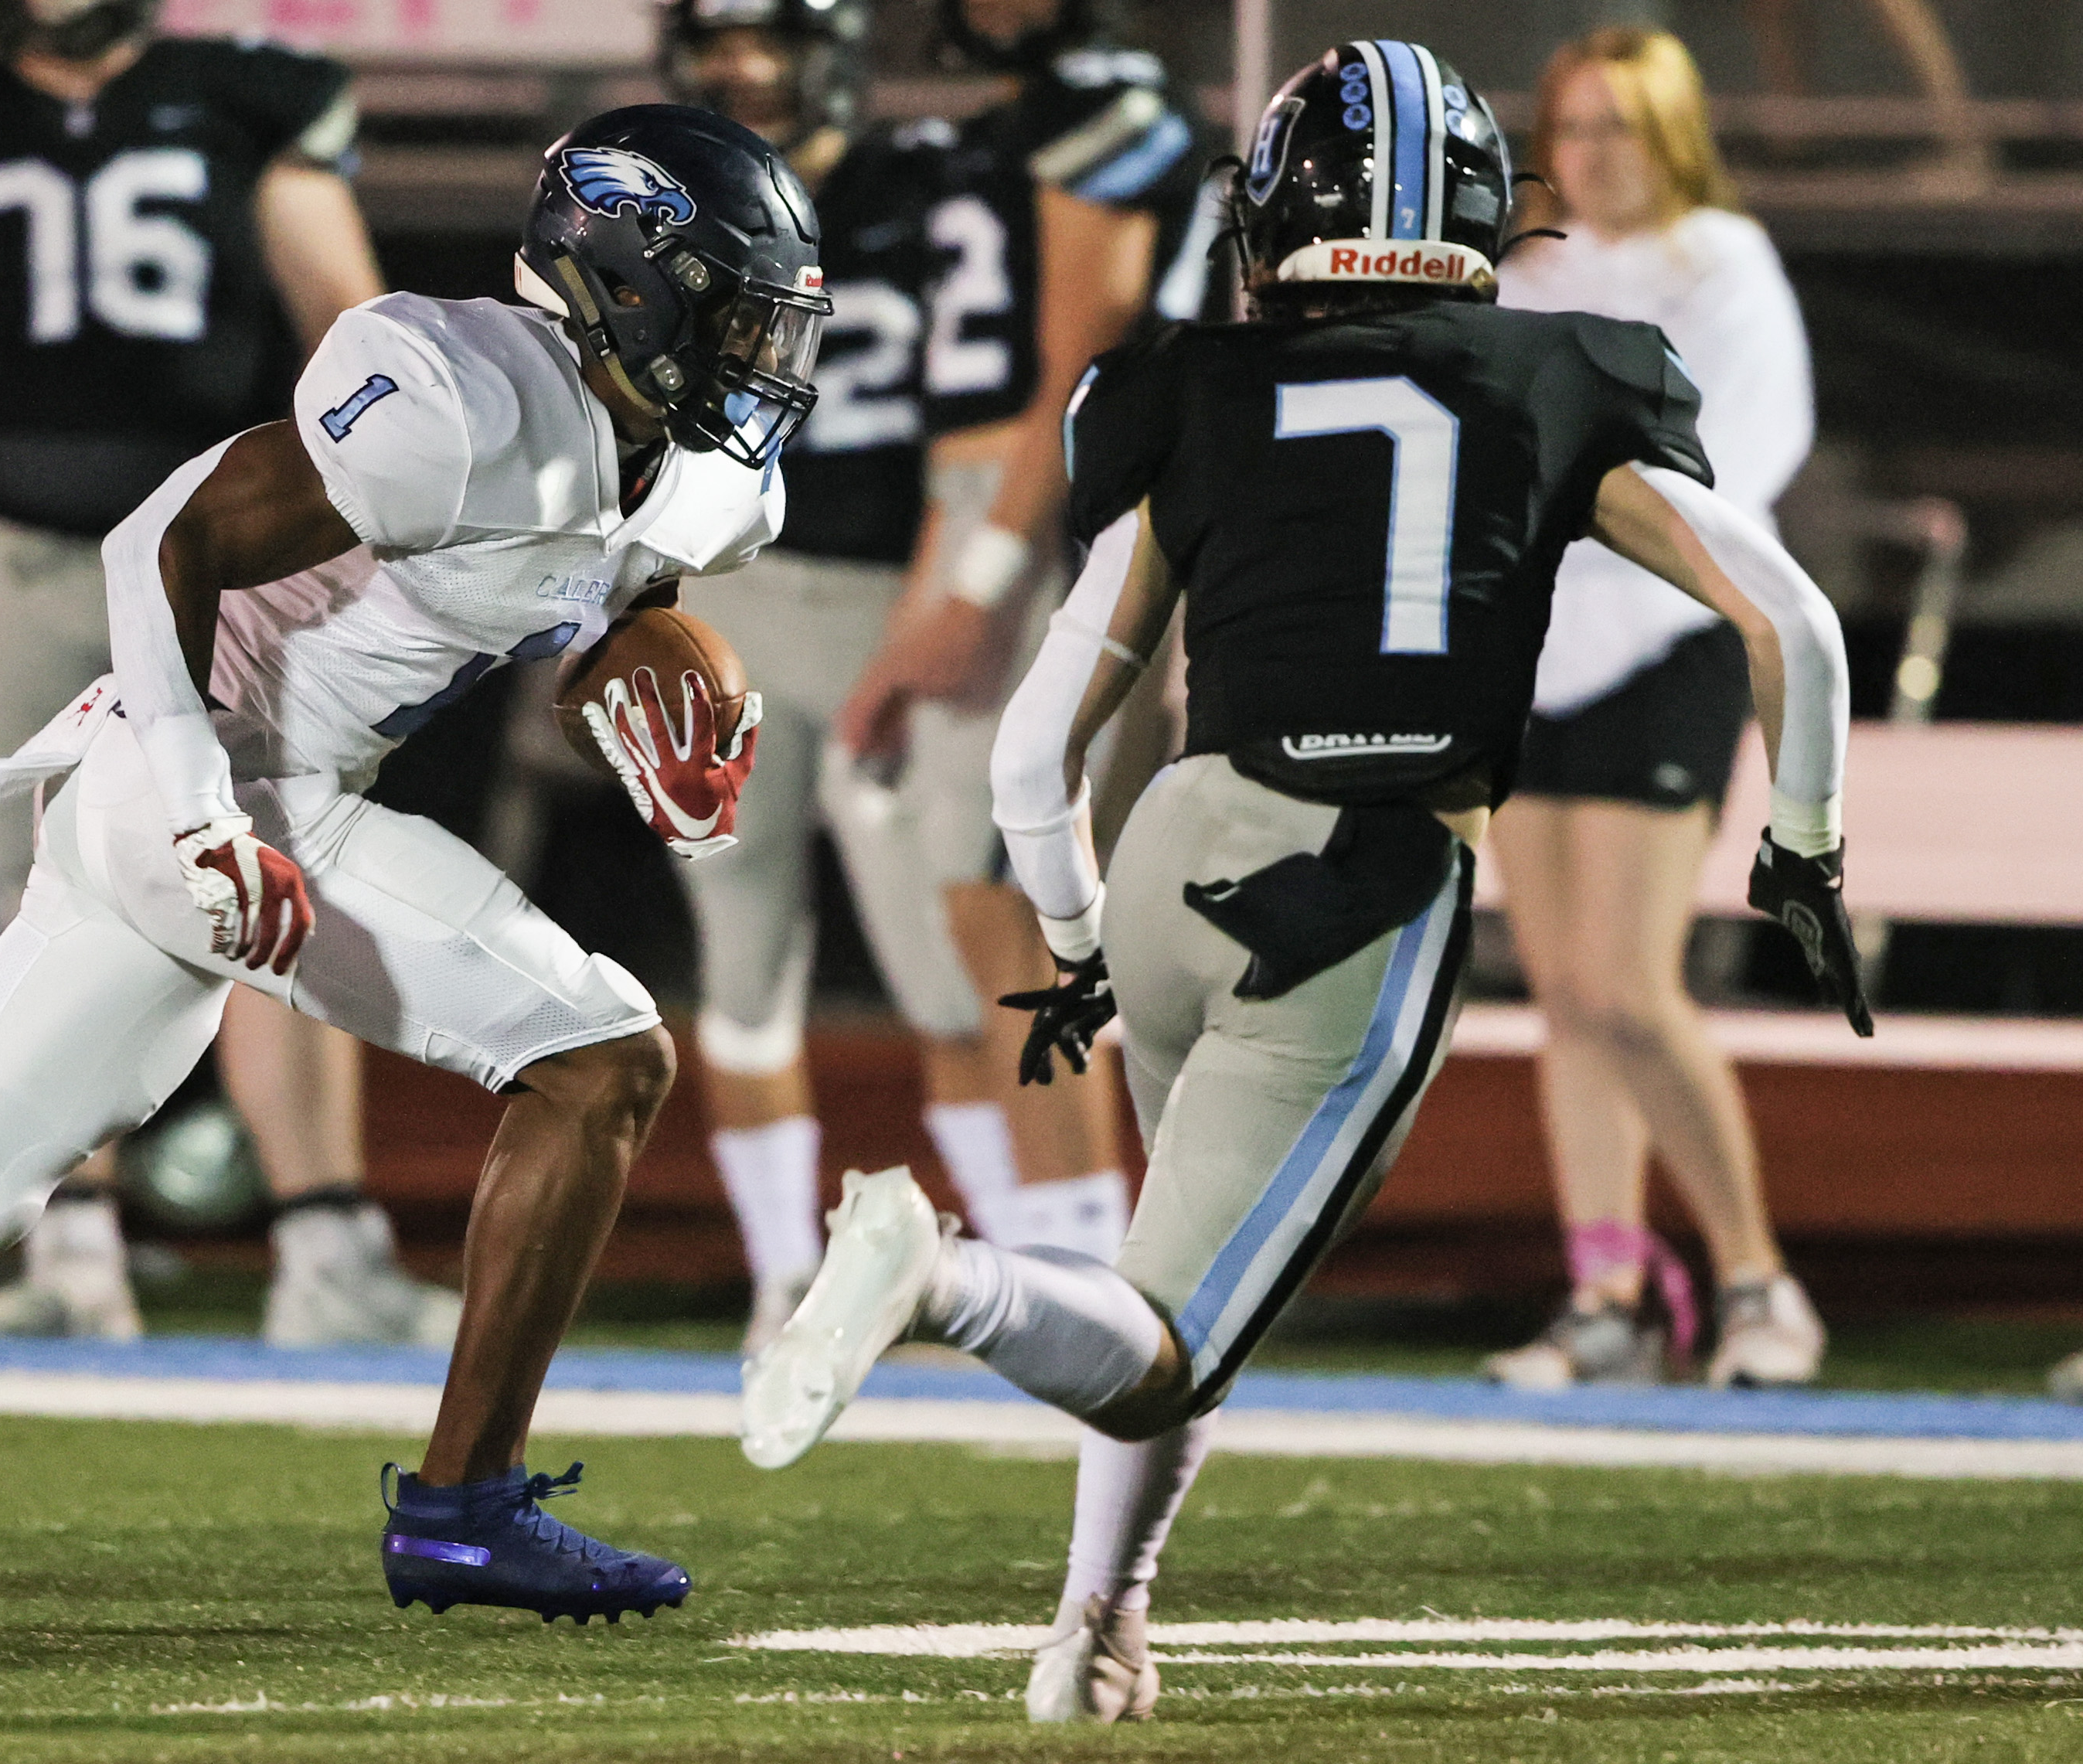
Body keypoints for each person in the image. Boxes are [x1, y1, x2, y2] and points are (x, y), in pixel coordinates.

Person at [741, 45, 1870, 1720]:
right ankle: (944, 1278)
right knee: (1173, 1333)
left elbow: (1031, 752)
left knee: (1184, 1275)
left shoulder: (1188, 385)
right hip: (1363, 883)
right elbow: (1796, 627)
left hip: (1178, 848)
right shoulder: (1567, 373)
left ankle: (1094, 1624)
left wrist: (1076, 941)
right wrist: (1803, 845)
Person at [0, 103, 829, 1622]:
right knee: (600, 1059)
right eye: (739, 313)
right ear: (631, 278)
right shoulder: (465, 400)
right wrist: (196, 801)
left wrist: (662, 680)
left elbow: (591, 603)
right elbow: (160, 543)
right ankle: (466, 1509)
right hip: (200, 776)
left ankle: (469, 1509)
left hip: (180, 789)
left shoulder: (701, 481)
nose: (764, 359)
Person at [0, 0, 450, 1347]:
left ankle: (324, 1236)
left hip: (217, 548)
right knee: (42, 892)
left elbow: (361, 337)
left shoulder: (242, 97)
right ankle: (74, 1242)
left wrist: (377, 532)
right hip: (5, 545)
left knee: (283, 864)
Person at [828, 0, 1215, 1261]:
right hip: (978, 513)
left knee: (1016, 908)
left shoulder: (1104, 106)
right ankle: (1037, 1257)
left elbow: (1076, 364)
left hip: (1053, 517)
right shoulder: (992, 131)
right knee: (970, 923)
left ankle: (1090, 1270)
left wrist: (984, 577)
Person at [1480, 29, 1827, 1391]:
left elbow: (1741, 463)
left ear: (1671, 132)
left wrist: (1601, 609)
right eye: (1573, 128)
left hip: (1669, 643)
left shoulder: (1721, 263)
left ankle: (1755, 1280)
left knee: (1631, 986)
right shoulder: (1530, 276)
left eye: (1620, 127)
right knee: (1565, 994)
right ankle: (1609, 1290)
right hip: (1540, 651)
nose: (1592, 155)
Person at [658, 0, 1006, 1350]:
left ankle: (1015, 1271)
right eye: (718, 45)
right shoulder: (671, 189)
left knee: (936, 961)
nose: (740, 70)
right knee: (738, 956)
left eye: (769, 44)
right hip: (727, 591)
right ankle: (775, 1282)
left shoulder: (925, 185)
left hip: (878, 599)